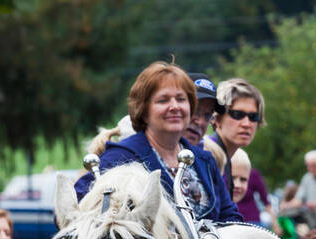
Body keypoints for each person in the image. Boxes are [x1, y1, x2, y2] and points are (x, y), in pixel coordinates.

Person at [75, 62, 241, 223]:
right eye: (163, 100)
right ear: (143, 111)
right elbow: (77, 206)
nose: (175, 106)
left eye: (181, 99)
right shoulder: (122, 156)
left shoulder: (205, 160)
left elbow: (231, 218)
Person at [208, 77, 271, 224]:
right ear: (217, 119)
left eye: (253, 117)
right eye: (237, 114)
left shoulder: (225, 159)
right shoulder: (206, 155)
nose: (246, 124)